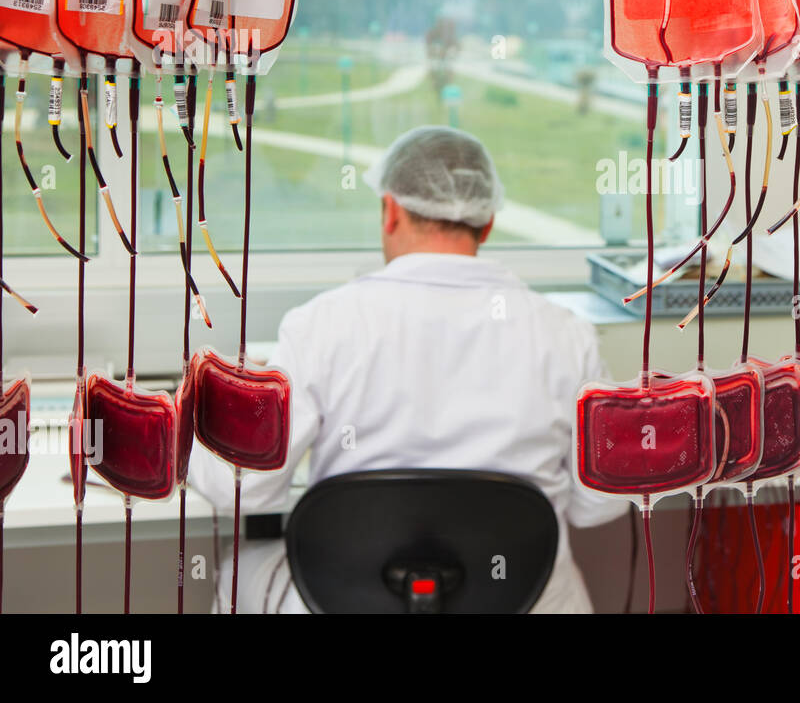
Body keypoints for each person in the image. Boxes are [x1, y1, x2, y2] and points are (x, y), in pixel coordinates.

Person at [187, 126, 624, 613]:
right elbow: (599, 505)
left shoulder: (322, 324)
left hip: (347, 600)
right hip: (524, 601)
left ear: (391, 210)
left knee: (240, 570)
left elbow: (241, 489)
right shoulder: (567, 334)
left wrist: (196, 414)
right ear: (487, 223)